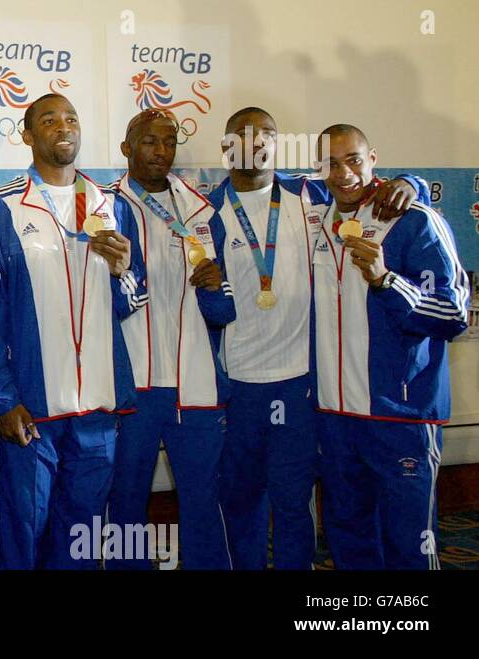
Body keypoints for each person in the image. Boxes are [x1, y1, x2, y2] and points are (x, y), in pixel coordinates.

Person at [205, 107, 424, 570]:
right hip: (238, 386)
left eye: (265, 134)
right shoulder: (208, 213)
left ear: (278, 143)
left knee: (293, 504)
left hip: (302, 385)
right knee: (240, 502)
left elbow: (365, 187)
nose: (255, 144)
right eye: (242, 137)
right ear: (225, 148)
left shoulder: (311, 194)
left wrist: (410, 182)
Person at [0, 93, 146, 570]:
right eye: (48, 120)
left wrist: (122, 272)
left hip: (97, 409)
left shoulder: (112, 204)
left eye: (71, 117)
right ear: (27, 136)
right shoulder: (4, 208)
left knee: (81, 541)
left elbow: (133, 300)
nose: (63, 127)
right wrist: (1, 398)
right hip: (33, 408)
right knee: (20, 537)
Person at [311, 124, 469, 570]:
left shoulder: (415, 220)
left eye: (354, 160)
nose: (344, 173)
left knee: (410, 542)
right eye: (330, 163)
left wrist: (386, 281)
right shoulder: (317, 221)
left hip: (399, 416)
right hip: (336, 416)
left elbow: (454, 316)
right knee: (348, 538)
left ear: (373, 158)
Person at [105, 110, 234, 569]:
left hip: (196, 382)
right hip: (134, 382)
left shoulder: (202, 210)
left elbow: (224, 311)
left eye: (169, 142)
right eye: (149, 142)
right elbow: (101, 302)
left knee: (204, 498)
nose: (161, 151)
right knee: (126, 503)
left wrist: (218, 287)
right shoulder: (105, 207)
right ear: (126, 148)